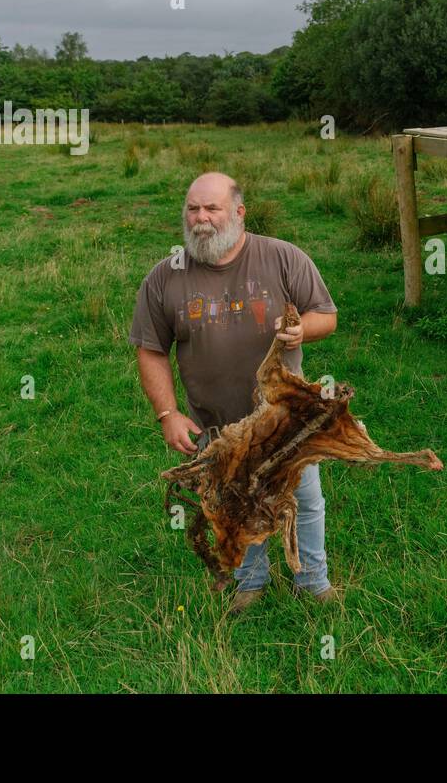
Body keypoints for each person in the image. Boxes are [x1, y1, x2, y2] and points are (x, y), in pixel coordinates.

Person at [129, 171, 340, 614]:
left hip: (283, 418)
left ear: (239, 213)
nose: (201, 218)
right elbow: (150, 350)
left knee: (303, 500)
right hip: (215, 423)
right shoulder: (165, 277)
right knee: (233, 502)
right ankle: (250, 582)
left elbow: (326, 314)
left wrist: (303, 330)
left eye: (212, 208)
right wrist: (168, 413)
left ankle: (313, 580)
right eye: (193, 209)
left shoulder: (283, 258)